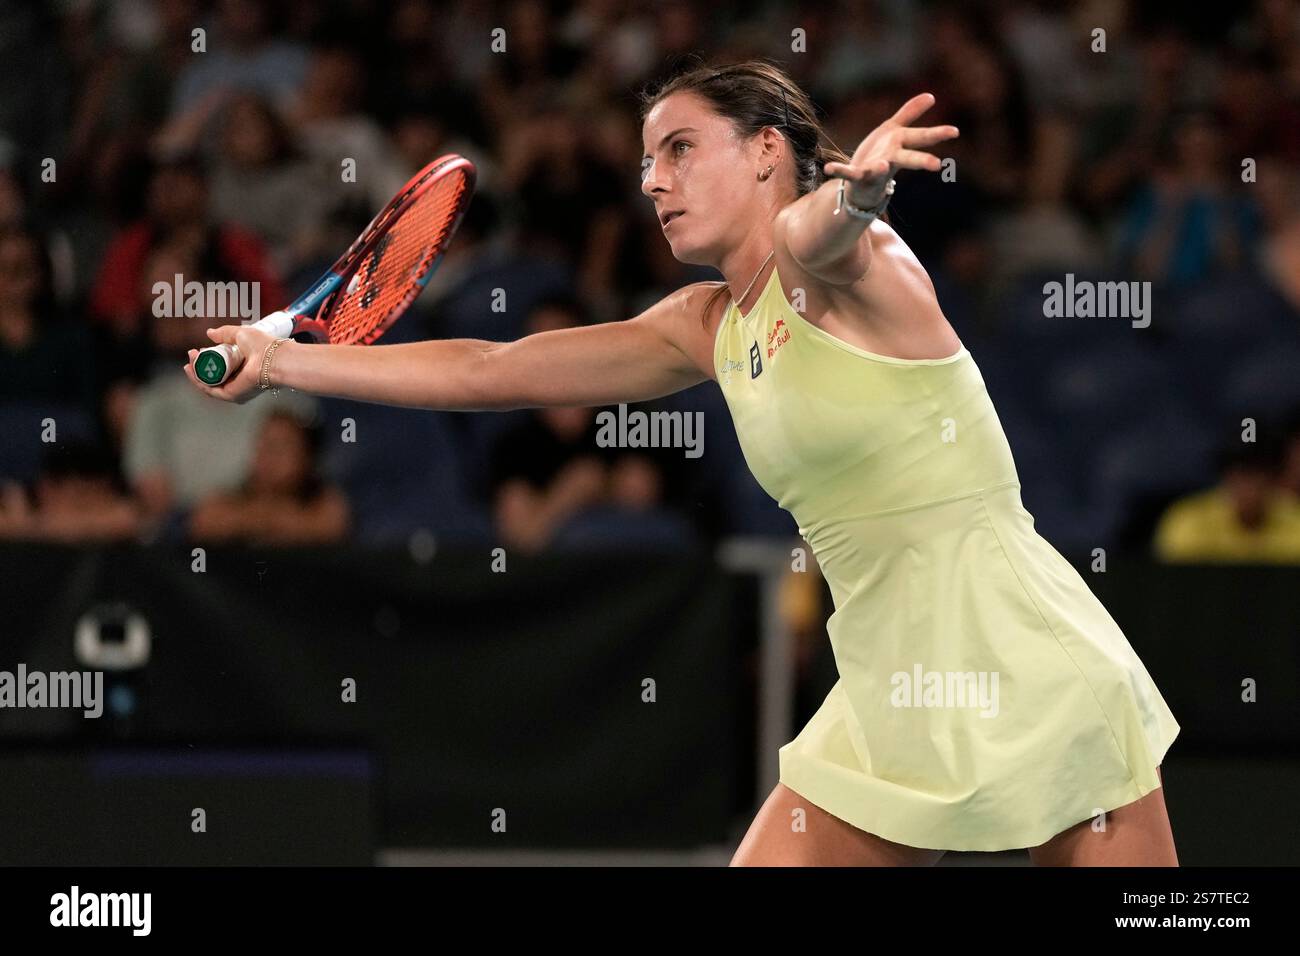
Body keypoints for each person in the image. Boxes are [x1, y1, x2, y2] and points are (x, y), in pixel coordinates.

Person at [183, 60, 1180, 867]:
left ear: (764, 152)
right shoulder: (705, 325)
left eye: (678, 148)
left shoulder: (853, 265)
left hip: (1019, 648)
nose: (652, 179)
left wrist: (857, 192)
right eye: (645, 159)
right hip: (885, 679)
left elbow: (818, 234)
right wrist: (282, 360)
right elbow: (492, 369)